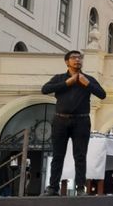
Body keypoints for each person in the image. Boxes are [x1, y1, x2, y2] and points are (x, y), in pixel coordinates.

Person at [41, 50, 106, 196]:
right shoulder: (59, 78)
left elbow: (102, 94)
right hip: (60, 120)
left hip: (81, 121)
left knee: (80, 155)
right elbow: (44, 89)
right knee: (58, 155)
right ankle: (53, 188)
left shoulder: (88, 78)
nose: (77, 60)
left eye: (80, 58)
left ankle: (80, 188)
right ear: (67, 62)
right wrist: (66, 83)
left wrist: (87, 84)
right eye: (74, 58)